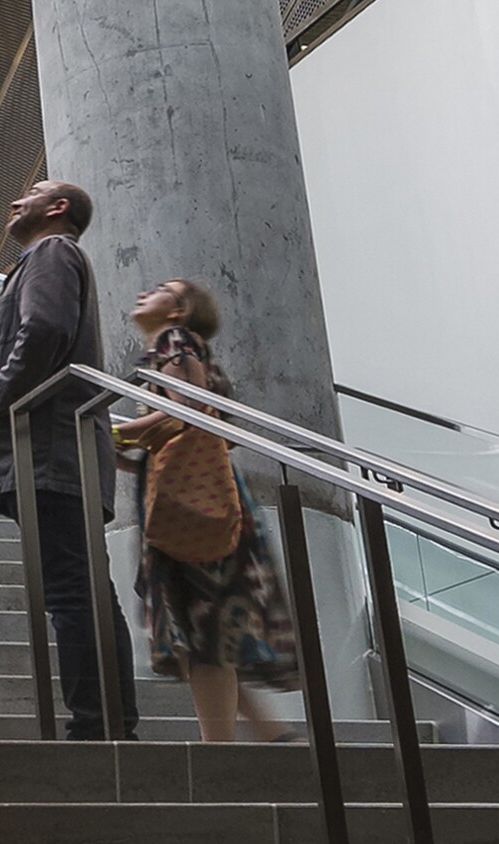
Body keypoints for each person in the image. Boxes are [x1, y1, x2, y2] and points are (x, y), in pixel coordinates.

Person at [0, 178, 139, 741]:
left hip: (46, 448)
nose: (15, 200)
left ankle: (98, 727)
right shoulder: (48, 257)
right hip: (54, 448)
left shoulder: (51, 250)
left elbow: (43, 328)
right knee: (82, 585)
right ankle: (109, 722)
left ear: (57, 207)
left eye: (31, 193)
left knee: (73, 588)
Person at [116, 277, 301, 743]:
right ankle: (271, 735)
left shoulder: (174, 341)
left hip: (192, 505)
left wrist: (121, 431)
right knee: (201, 627)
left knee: (202, 628)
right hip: (194, 499)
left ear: (178, 310)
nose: (145, 292)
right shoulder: (178, 348)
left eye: (160, 288)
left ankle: (222, 753)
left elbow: (191, 409)